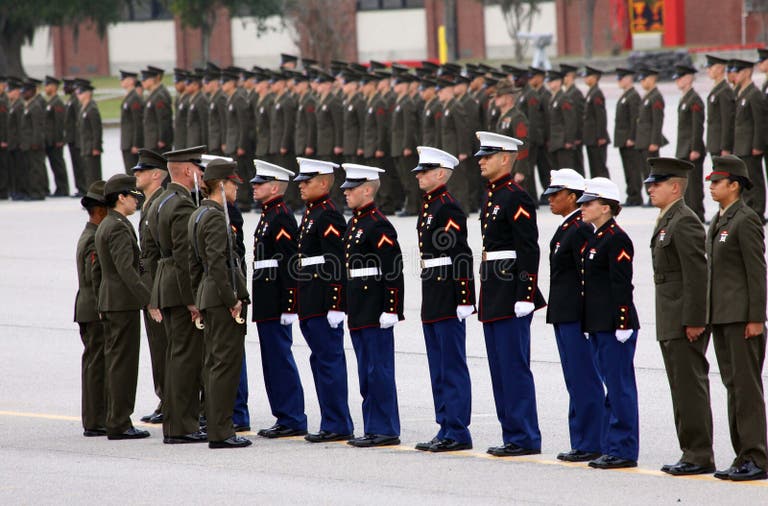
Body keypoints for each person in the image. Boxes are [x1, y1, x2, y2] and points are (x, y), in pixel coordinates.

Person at [475, 131, 545, 457]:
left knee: (514, 367)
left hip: (510, 291)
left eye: (487, 156)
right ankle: (511, 433)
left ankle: (525, 435)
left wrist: (526, 293)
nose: (481, 161)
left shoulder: (515, 196)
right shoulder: (492, 195)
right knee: (499, 367)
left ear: (505, 158)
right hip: (493, 288)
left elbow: (528, 248)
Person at [644, 157, 713, 476]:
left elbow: (697, 274)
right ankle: (690, 451)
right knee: (679, 388)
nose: (650, 189)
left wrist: (695, 319)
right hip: (670, 318)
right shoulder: (667, 218)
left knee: (689, 387)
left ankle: (699, 454)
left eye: (656, 184)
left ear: (675, 187)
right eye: (649, 184)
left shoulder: (683, 220)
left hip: (684, 319)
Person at [705, 155, 767, 481]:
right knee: (734, 388)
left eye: (717, 182)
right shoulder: (719, 220)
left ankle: (757, 457)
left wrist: (757, 318)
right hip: (722, 318)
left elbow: (757, 273)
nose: (712, 187)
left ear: (735, 185)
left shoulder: (746, 219)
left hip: (743, 320)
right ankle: (743, 455)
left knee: (747, 390)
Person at [411, 146, 475, 452]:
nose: (419, 176)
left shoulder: (447, 207)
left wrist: (464, 297)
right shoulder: (429, 206)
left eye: (425, 171)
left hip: (448, 293)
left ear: (440, 174)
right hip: (432, 292)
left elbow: (460, 254)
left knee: (451, 365)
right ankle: (445, 425)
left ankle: (458, 430)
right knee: (438, 366)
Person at [188, 158, 252, 449]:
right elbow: (216, 262)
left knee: (214, 364)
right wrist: (232, 299)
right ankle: (222, 430)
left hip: (207, 295)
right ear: (222, 185)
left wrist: (196, 297)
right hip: (219, 297)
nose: (237, 189)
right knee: (224, 366)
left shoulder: (198, 214)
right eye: (234, 184)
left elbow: (193, 265)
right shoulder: (214, 216)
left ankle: (217, 426)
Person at [577, 177, 640, 469]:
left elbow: (621, 285)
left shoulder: (617, 238)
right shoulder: (597, 237)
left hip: (616, 327)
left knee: (620, 388)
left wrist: (623, 322)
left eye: (588, 204)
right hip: (600, 325)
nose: (582, 208)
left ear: (605, 207)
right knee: (611, 388)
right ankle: (610, 445)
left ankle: (623, 449)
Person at [147, 145, 208, 445]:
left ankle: (175, 423)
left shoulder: (162, 200)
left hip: (164, 282)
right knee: (185, 358)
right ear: (187, 171)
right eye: (198, 169)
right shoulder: (182, 204)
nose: (201, 175)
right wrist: (192, 298)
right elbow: (185, 258)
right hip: (177, 286)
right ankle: (183, 425)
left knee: (174, 356)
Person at [340, 163, 403, 448]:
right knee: (366, 372)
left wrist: (392, 307)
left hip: (375, 307)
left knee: (379, 371)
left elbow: (393, 268)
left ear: (367, 190)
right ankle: (372, 426)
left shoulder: (378, 223)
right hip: (359, 307)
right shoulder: (354, 222)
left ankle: (385, 428)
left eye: (351, 189)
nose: (346, 193)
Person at [544, 168, 603, 462]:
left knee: (584, 378)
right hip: (564, 313)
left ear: (572, 196)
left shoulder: (579, 229)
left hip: (576, 315)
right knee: (574, 378)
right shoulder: (567, 227)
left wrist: (586, 316)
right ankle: (581, 440)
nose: (551, 200)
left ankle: (591, 441)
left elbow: (586, 276)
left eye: (556, 195)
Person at [294, 157, 354, 443]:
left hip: (321, 301)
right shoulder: (311, 213)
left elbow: (336, 262)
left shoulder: (327, 214)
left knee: (329, 362)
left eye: (307, 182)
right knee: (320, 361)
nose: (301, 187)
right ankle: (330, 420)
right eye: (301, 182)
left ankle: (338, 423)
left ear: (324, 182)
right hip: (309, 298)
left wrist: (336, 303)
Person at [250, 159, 308, 439]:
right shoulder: (268, 214)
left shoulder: (281, 216)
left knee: (279, 359)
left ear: (274, 187)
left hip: (275, 300)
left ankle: (293, 417)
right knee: (271, 360)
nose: (254, 187)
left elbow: (288, 264)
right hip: (265, 298)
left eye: (259, 183)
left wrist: (289, 305)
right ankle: (284, 416)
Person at [92, 174, 151, 440]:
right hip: (122, 303)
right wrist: (147, 299)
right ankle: (119, 422)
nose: (136, 201)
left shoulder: (108, 223)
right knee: (123, 364)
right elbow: (126, 269)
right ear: (121, 198)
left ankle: (115, 418)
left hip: (113, 301)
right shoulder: (117, 226)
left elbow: (99, 271)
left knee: (117, 361)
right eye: (133, 196)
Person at [133, 149, 169, 425]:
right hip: (150, 287)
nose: (136, 174)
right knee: (158, 348)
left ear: (156, 175)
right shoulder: (148, 204)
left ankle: (172, 400)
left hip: (159, 288)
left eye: (141, 171)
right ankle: (165, 398)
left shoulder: (160, 204)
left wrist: (153, 292)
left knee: (166, 346)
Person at [75, 180, 108, 436]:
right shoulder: (95, 238)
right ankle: (96, 420)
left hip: (87, 307)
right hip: (94, 309)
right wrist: (103, 307)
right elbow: (95, 276)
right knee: (97, 366)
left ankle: (96, 417)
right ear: (99, 211)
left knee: (94, 364)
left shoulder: (90, 234)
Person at [728, 59, 766, 222]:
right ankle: (748, 208)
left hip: (751, 145)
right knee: (744, 179)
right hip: (741, 144)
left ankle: (757, 210)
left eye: (739, 71)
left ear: (748, 72)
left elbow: (760, 122)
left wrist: (758, 145)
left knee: (754, 179)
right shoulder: (741, 93)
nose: (736, 75)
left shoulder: (754, 94)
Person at [672, 65, 706, 222]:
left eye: (680, 77)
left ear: (688, 78)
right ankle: (690, 212)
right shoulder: (685, 98)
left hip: (691, 149)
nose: (677, 81)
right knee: (687, 184)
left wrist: (695, 148)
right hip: (683, 148)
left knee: (694, 184)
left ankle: (698, 213)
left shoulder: (694, 99)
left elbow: (697, 126)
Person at [634, 67, 667, 194]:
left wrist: (655, 141)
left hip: (650, 141)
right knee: (645, 170)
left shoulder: (656, 97)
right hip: (643, 140)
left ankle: (655, 194)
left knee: (652, 171)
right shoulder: (647, 96)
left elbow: (657, 121)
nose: (642, 82)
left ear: (652, 79)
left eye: (644, 79)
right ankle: (650, 193)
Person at [614, 68, 644, 206]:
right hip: (622, 139)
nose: (619, 81)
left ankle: (635, 196)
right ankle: (631, 195)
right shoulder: (626, 95)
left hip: (629, 139)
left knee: (633, 169)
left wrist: (632, 137)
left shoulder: (633, 96)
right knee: (627, 169)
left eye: (621, 78)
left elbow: (635, 119)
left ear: (628, 79)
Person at [545, 70, 578, 172]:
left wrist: (569, 140)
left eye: (552, 81)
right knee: (557, 172)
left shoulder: (564, 98)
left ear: (559, 82)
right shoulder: (554, 98)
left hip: (563, 142)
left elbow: (570, 120)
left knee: (566, 171)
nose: (549, 83)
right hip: (555, 142)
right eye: (549, 81)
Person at [580, 67, 610, 179]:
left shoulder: (597, 93)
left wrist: (601, 136)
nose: (585, 78)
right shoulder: (591, 92)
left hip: (597, 138)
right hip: (591, 138)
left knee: (600, 169)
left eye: (587, 76)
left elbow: (601, 116)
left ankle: (606, 195)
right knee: (594, 170)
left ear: (594, 78)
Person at [20, 78, 46, 200]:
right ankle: (33, 191)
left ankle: (38, 192)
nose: (23, 93)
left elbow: (38, 127)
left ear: (33, 91)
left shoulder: (35, 106)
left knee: (36, 169)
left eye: (26, 91)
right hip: (27, 143)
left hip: (33, 143)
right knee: (30, 168)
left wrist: (36, 142)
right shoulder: (28, 105)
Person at [43, 76, 68, 196]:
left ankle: (63, 188)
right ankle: (59, 188)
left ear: (53, 87)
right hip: (50, 139)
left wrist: (59, 139)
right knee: (54, 164)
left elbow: (59, 122)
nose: (45, 88)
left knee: (58, 164)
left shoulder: (57, 102)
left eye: (47, 85)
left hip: (55, 140)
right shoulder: (50, 101)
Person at [76, 80, 103, 187]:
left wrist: (96, 147)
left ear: (87, 93)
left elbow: (96, 129)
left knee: (93, 175)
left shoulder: (92, 108)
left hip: (91, 147)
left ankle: (97, 198)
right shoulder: (84, 108)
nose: (78, 95)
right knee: (88, 174)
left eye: (80, 93)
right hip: (86, 146)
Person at [141, 67, 173, 151]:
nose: (142, 82)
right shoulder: (152, 95)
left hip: (157, 142)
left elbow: (163, 118)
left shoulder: (158, 96)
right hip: (151, 140)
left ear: (152, 80)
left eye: (144, 80)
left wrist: (162, 139)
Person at [119, 70, 144, 174]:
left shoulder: (134, 98)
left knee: (133, 173)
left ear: (130, 81)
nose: (121, 81)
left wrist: (136, 143)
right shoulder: (129, 97)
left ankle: (135, 191)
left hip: (131, 143)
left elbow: (137, 122)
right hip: (126, 141)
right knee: (129, 171)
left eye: (123, 79)